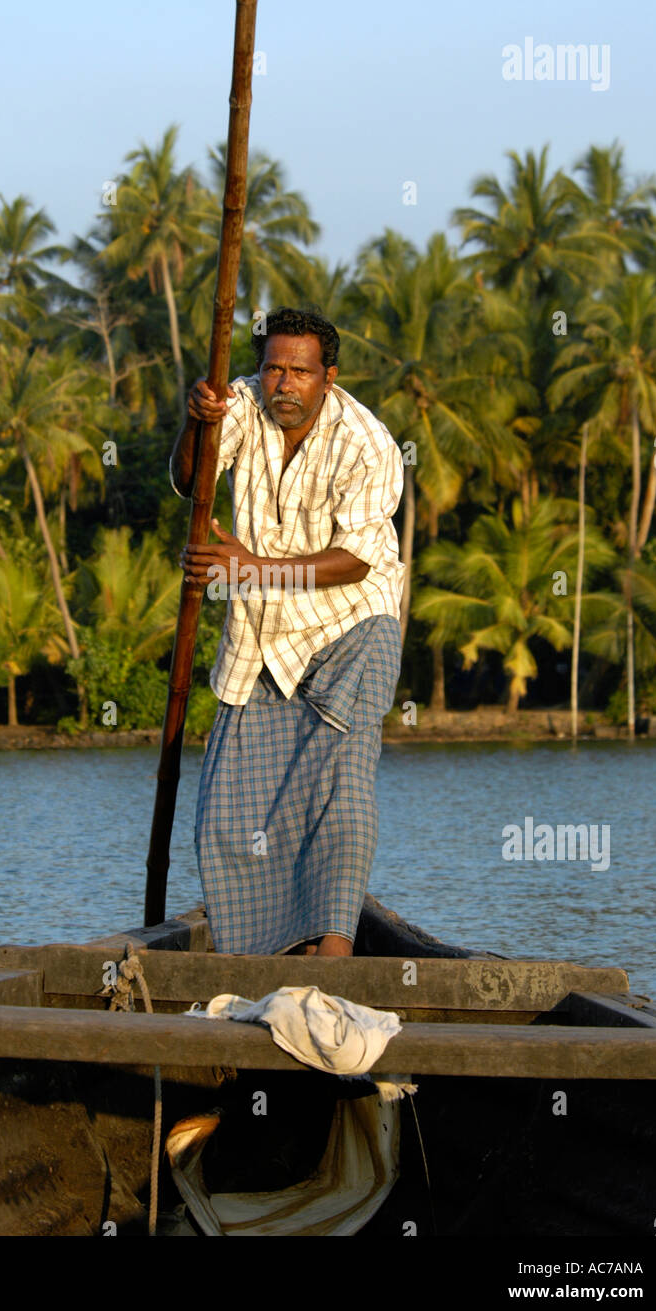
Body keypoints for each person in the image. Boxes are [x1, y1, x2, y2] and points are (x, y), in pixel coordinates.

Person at [169, 307, 405, 957]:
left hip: (354, 624)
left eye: (300, 371)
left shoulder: (366, 443)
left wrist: (251, 568)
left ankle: (332, 965)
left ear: (329, 377)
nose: (284, 384)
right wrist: (200, 422)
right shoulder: (241, 404)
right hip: (265, 637)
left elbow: (355, 559)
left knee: (342, 787)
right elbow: (192, 482)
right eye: (274, 367)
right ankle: (268, 956)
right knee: (227, 816)